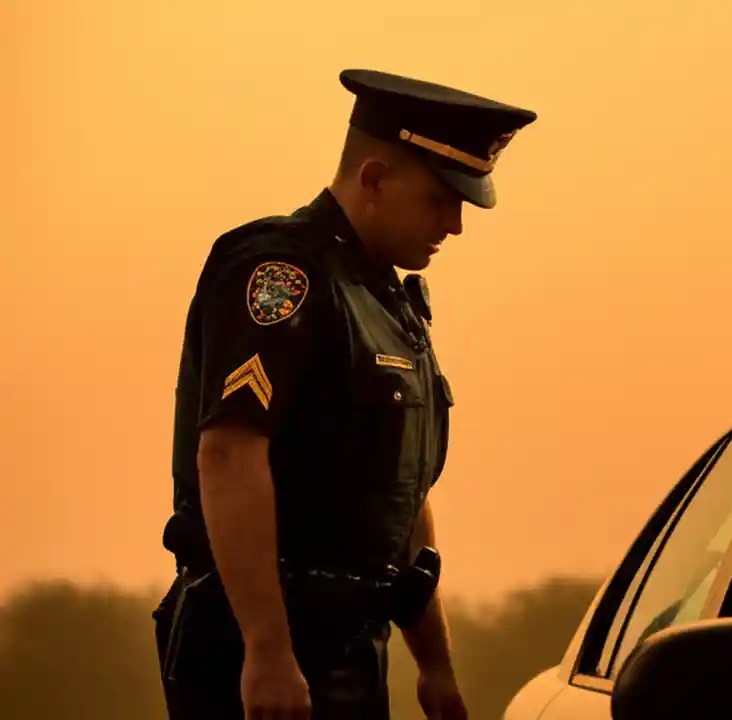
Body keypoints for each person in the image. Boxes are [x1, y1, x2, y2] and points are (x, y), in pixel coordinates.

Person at [152, 68, 537, 719]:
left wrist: (435, 665)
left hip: (353, 641)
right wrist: (268, 651)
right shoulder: (281, 273)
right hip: (264, 645)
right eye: (442, 198)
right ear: (375, 178)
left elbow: (402, 497)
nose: (455, 223)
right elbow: (228, 455)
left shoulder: (391, 301)